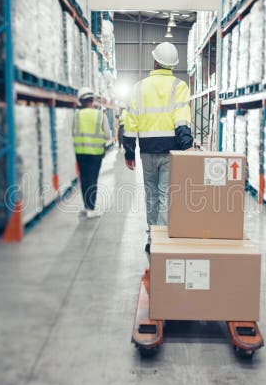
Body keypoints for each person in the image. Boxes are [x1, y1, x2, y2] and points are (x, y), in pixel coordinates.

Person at [122, 42, 194, 253]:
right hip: (171, 151)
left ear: (155, 61)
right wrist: (187, 145)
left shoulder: (138, 87)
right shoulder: (179, 87)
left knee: (151, 195)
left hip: (146, 152)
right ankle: (161, 242)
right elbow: (182, 119)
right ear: (172, 65)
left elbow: (130, 123)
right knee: (166, 196)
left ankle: (152, 237)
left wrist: (128, 152)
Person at [73, 87, 110, 219]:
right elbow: (107, 135)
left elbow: (71, 133)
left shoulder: (75, 115)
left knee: (84, 179)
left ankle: (85, 206)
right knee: (92, 180)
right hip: (96, 153)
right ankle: (91, 209)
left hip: (80, 153)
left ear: (80, 101)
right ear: (92, 100)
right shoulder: (101, 115)